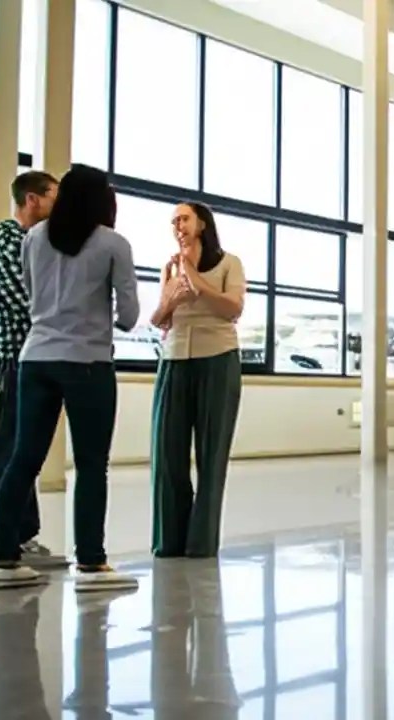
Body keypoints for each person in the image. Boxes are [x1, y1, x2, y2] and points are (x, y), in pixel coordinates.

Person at [0, 164, 140, 592]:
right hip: (88, 363)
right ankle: (91, 564)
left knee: (22, 460)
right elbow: (128, 318)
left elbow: (34, 296)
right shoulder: (112, 243)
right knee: (91, 465)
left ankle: (2, 559)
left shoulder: (33, 238)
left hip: (35, 359)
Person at [0, 170, 68, 569]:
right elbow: (31, 302)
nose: (58, 204)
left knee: (23, 451)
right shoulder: (8, 241)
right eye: (54, 196)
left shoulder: (31, 242)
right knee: (9, 452)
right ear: (32, 199)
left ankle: (21, 535)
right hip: (14, 358)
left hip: (29, 358)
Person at [149, 201, 245, 559]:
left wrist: (196, 281)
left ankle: (201, 543)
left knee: (212, 452)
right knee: (167, 453)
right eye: (173, 221)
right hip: (174, 360)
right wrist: (171, 298)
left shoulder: (228, 263)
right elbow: (159, 320)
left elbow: (232, 309)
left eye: (184, 219)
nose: (178, 226)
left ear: (201, 224)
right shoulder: (168, 268)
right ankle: (168, 540)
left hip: (217, 359)